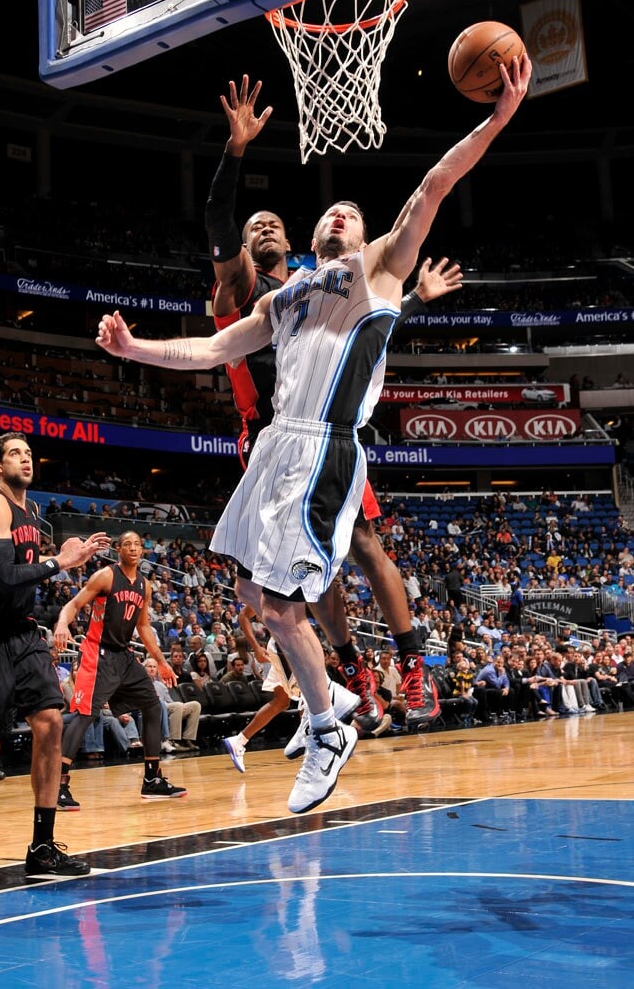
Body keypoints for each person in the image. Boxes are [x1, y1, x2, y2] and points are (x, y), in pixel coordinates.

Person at [96, 52, 531, 812]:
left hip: (326, 447)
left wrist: (495, 117)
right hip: (275, 446)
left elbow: (434, 185)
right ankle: (327, 690)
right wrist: (134, 349)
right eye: (331, 212)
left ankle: (329, 723)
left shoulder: (382, 267)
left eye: (351, 215)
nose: (338, 214)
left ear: (367, 238)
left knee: (284, 606)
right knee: (244, 584)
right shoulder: (289, 294)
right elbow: (212, 348)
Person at [203, 77, 468, 738]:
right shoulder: (240, 287)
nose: (262, 224)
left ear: (294, 241)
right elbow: (216, 221)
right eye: (252, 224)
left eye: (273, 222)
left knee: (364, 542)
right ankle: (351, 668)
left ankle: (411, 666)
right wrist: (235, 152)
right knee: (300, 567)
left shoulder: (308, 287)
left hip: (325, 432)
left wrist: (414, 300)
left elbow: (363, 323)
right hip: (268, 439)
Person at [0, 433, 111, 877]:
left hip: (22, 631)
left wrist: (65, 558)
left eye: (29, 454)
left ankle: (42, 848)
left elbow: (25, 580)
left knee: (51, 722)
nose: (25, 459)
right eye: (15, 453)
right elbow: (7, 576)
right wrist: (61, 562)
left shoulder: (31, 512)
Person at [54, 530, 187, 810]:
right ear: (118, 550)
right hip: (97, 652)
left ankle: (152, 780)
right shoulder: (106, 576)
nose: (133, 548)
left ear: (142, 550)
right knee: (84, 716)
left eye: (137, 544)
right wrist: (62, 625)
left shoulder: (144, 585)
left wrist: (161, 661)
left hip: (124, 656)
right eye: (127, 544)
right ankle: (58, 785)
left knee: (153, 705)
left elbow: (143, 626)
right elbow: (74, 604)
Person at [223, 604, 359, 773]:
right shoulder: (268, 586)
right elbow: (243, 615)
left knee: (281, 702)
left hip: (293, 641)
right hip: (284, 645)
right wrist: (256, 647)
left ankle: (239, 741)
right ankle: (317, 747)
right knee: (310, 691)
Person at [144, 655, 201, 753]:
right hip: (155, 709)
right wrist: (177, 705)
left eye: (154, 667)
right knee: (177, 706)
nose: (152, 669)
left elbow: (170, 701)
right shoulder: (142, 684)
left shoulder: (161, 685)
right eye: (149, 667)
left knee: (195, 705)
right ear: (144, 668)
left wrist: (181, 706)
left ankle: (187, 739)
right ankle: (172, 740)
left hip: (168, 708)